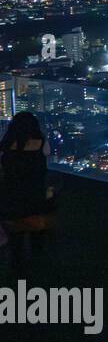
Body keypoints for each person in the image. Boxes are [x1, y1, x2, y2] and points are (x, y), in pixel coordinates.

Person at [1, 112, 54, 275]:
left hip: (12, 197)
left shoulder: (5, 146)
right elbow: (46, 159)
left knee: (16, 239)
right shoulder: (41, 144)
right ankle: (39, 271)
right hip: (35, 196)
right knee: (37, 235)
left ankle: (17, 272)